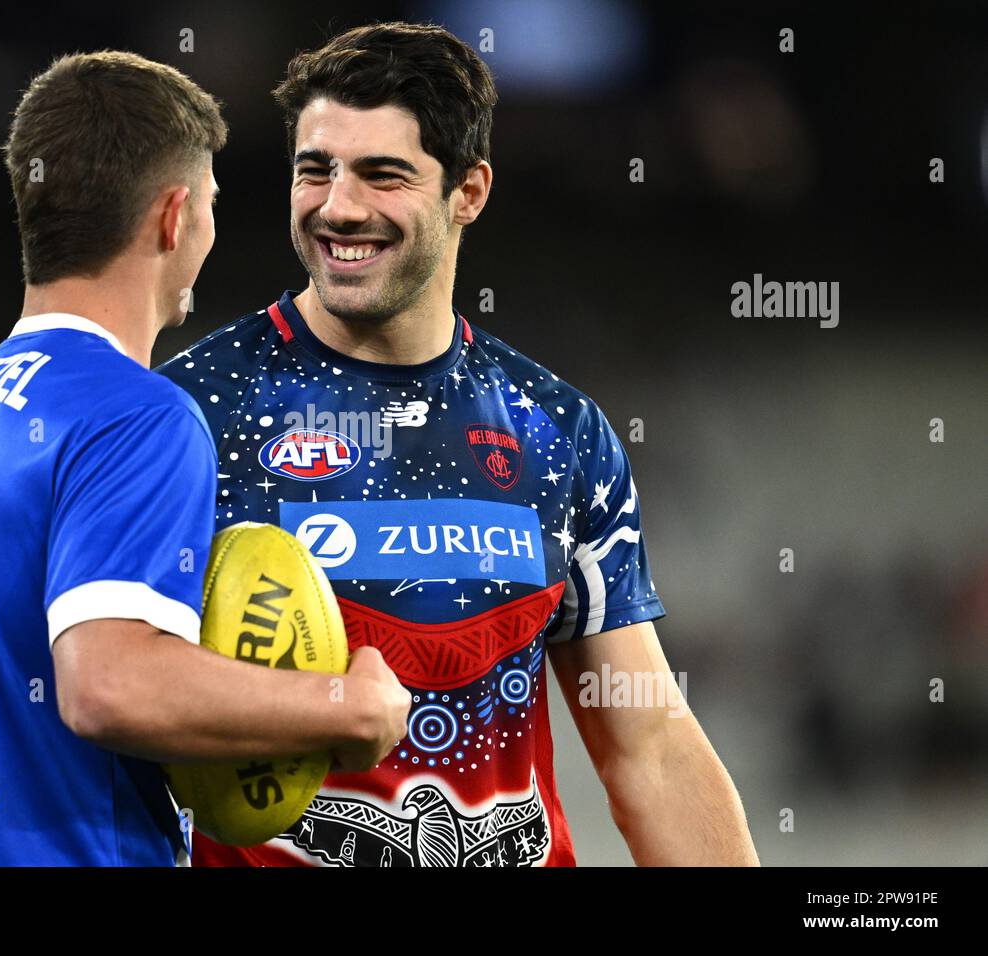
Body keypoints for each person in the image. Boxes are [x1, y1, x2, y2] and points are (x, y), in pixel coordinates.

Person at [159, 23, 758, 866]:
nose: (338, 207)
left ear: (469, 191)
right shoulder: (188, 415)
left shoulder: (559, 433)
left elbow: (648, 749)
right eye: (315, 169)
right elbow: (102, 696)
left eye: (382, 174)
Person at [0, 50, 409, 866]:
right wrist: (344, 706)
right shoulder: (133, 413)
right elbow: (110, 684)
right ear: (174, 216)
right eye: (213, 203)